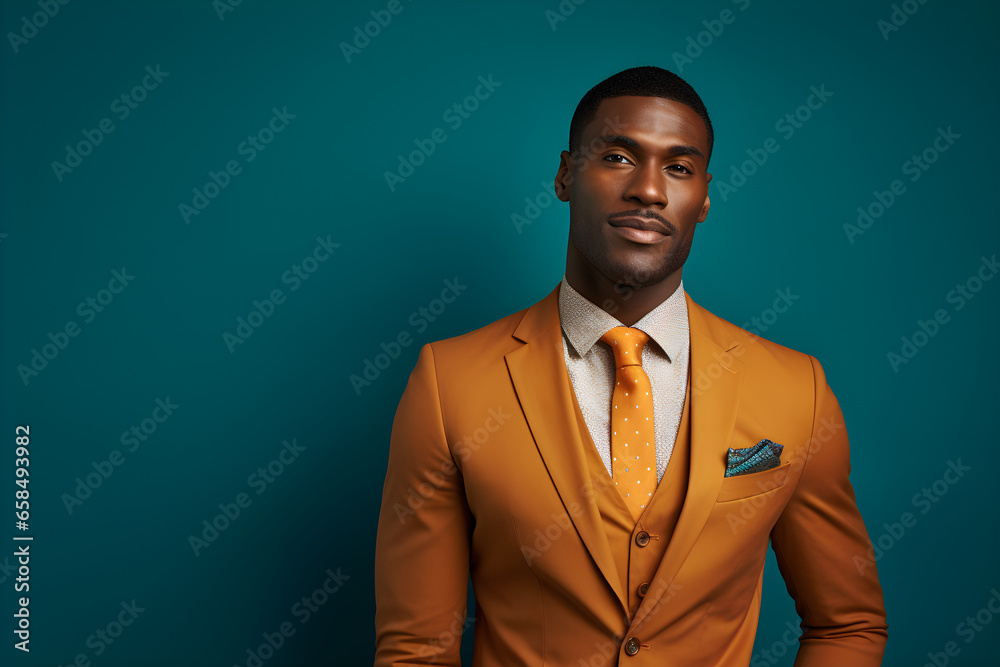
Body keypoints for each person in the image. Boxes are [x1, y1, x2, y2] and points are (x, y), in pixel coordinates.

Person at [373, 65, 887, 666]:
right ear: (566, 175)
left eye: (679, 167)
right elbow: (416, 650)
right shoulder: (449, 382)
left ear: (704, 197)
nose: (649, 189)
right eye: (618, 157)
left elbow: (846, 625)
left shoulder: (796, 388)